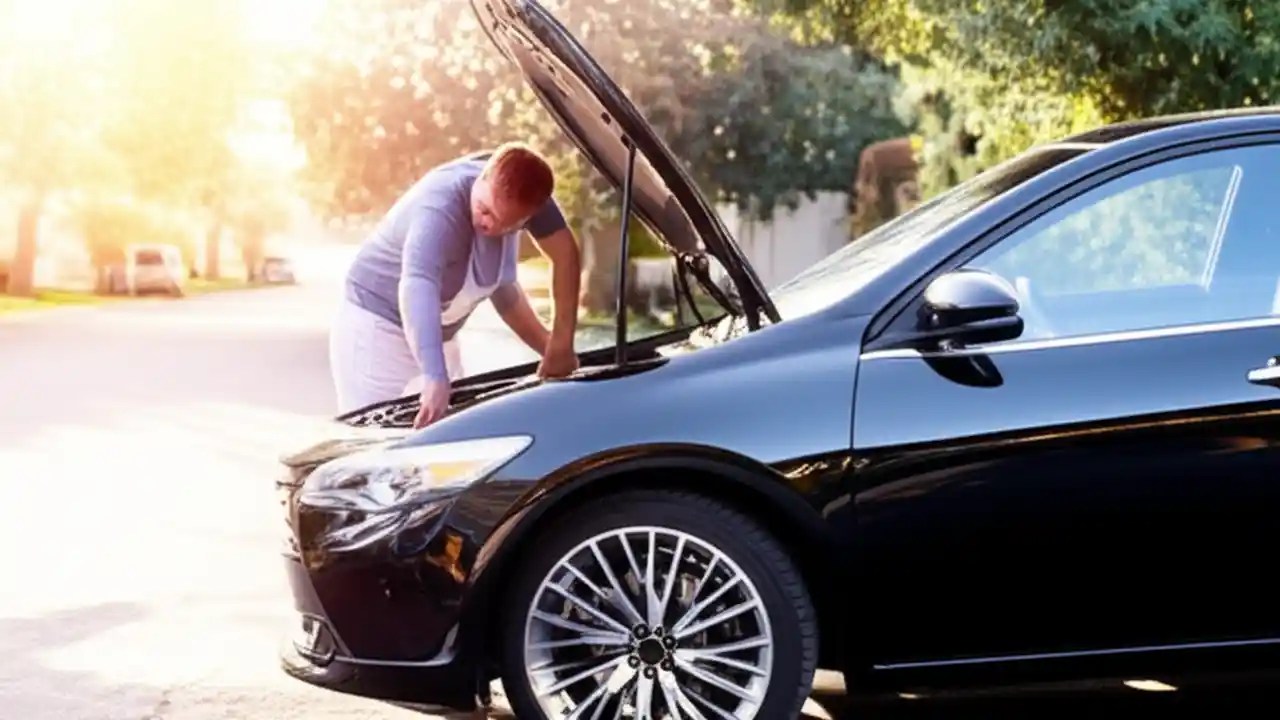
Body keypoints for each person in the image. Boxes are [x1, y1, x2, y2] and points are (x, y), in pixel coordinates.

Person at [329, 143, 581, 428]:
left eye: (504, 224)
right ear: (482, 178)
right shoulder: (440, 206)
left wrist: (555, 347)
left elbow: (527, 276)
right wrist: (435, 375)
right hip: (377, 330)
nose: (489, 226)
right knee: (373, 447)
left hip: (438, 335)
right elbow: (417, 286)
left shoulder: (527, 190)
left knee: (448, 440)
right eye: (484, 210)